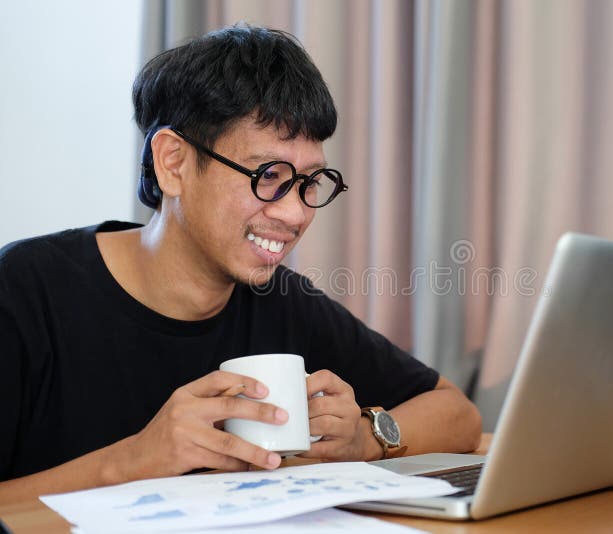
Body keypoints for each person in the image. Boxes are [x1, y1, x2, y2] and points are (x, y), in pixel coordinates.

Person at [0, 25, 481, 502]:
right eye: (268, 175)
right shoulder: (25, 290)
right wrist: (129, 463)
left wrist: (366, 438)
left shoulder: (282, 301)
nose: (295, 214)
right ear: (173, 163)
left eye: (310, 183)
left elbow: (458, 414)